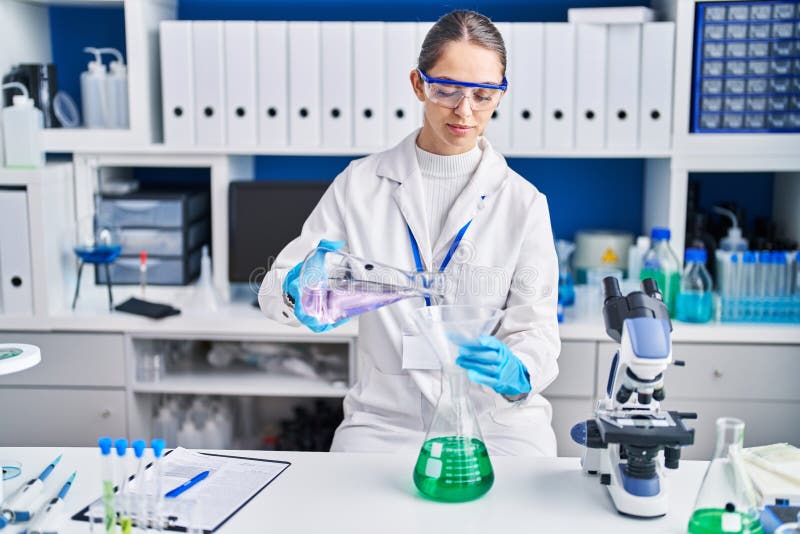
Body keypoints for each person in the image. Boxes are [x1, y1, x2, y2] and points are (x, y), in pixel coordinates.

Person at [260, 9, 560, 456]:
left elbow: (535, 327)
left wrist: (517, 368)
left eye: (483, 94)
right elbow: (274, 288)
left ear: (501, 95)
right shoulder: (360, 184)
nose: (465, 110)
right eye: (447, 90)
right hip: (384, 423)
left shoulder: (523, 203)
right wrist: (294, 287)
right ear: (419, 84)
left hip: (496, 422)